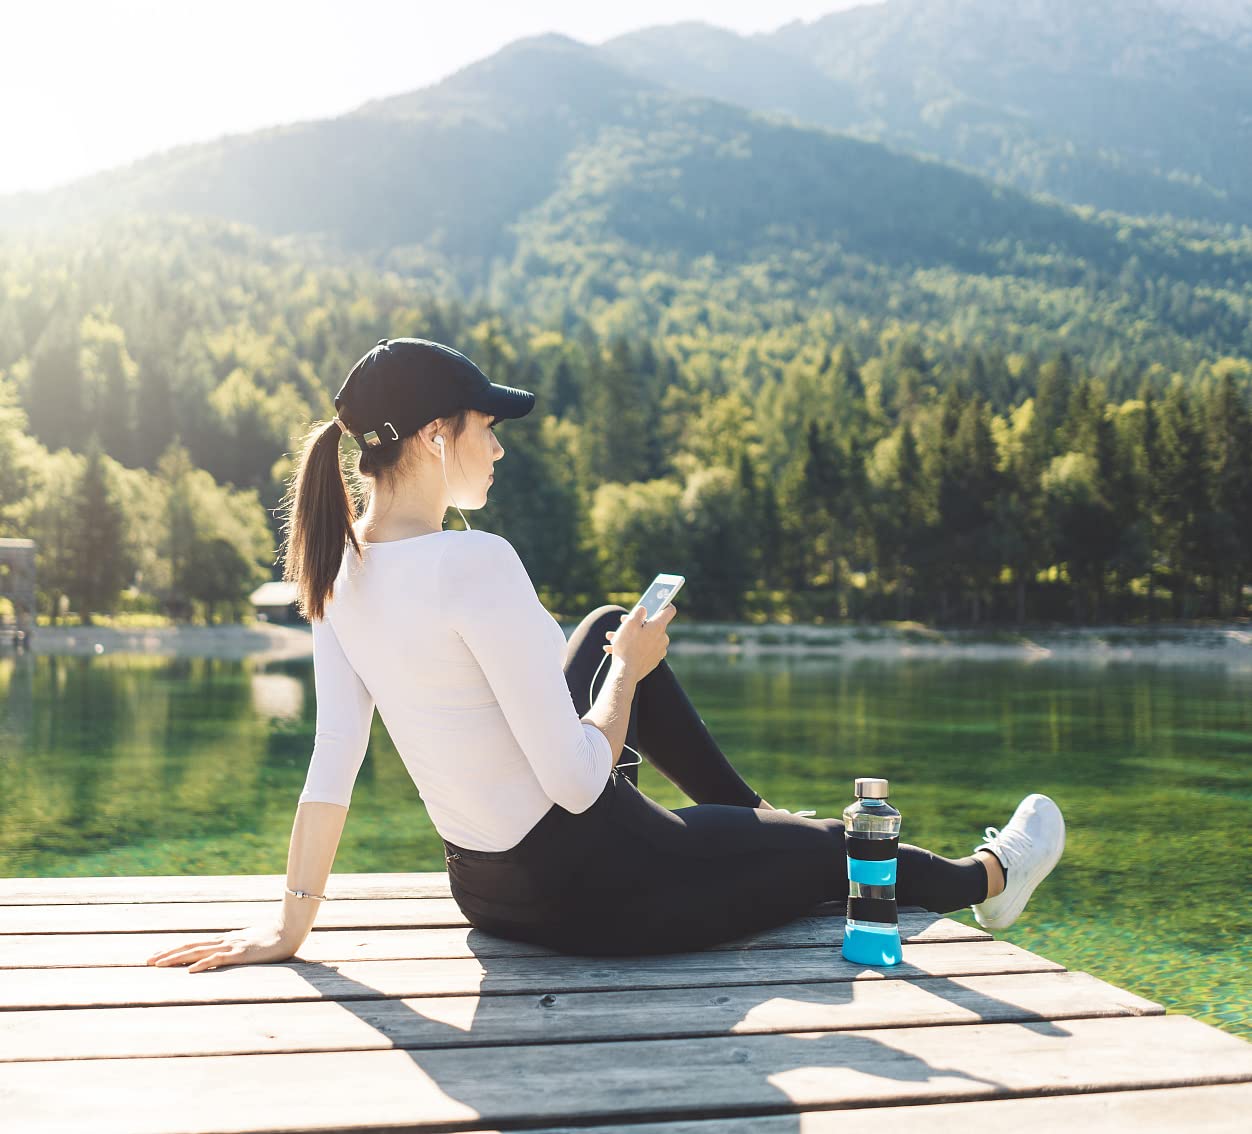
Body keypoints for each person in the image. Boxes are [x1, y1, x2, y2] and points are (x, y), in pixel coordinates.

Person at [146, 336, 1065, 972]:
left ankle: (749, 816)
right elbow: (581, 783)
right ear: (435, 436)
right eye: (486, 427)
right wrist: (628, 667)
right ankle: (990, 878)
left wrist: (288, 929)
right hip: (603, 892)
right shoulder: (477, 563)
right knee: (833, 850)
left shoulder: (335, 564)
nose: (498, 448)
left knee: (600, 622)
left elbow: (333, 757)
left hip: (487, 891)